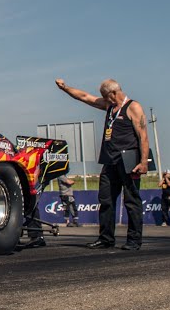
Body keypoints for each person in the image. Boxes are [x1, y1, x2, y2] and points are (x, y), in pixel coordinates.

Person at [55, 78, 150, 251]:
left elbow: (143, 135)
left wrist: (143, 162)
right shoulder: (109, 106)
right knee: (105, 200)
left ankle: (134, 240)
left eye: (106, 96)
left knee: (131, 201)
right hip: (110, 160)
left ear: (114, 93)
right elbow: (85, 97)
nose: (105, 100)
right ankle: (106, 238)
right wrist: (65, 88)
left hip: (128, 160)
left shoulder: (133, 107)